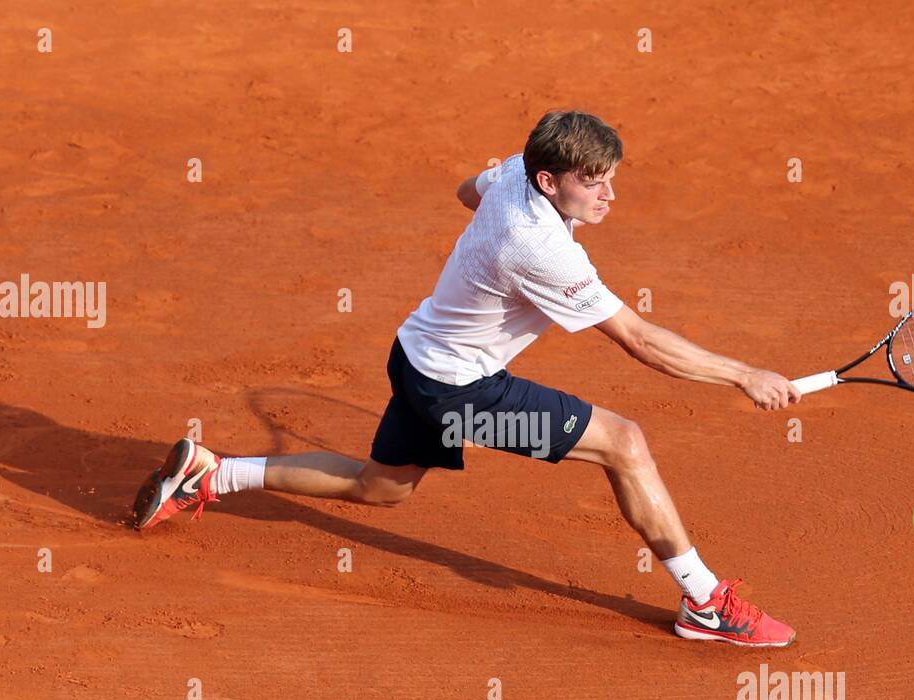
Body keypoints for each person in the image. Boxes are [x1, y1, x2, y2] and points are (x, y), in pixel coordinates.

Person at [133, 110, 802, 647]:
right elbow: (640, 342)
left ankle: (212, 475)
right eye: (593, 182)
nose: (609, 194)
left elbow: (466, 192)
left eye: (610, 178)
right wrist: (745, 373)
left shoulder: (516, 172)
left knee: (380, 490)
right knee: (625, 444)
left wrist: (489, 267)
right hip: (460, 394)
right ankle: (705, 602)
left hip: (417, 354)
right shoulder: (543, 250)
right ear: (550, 181)